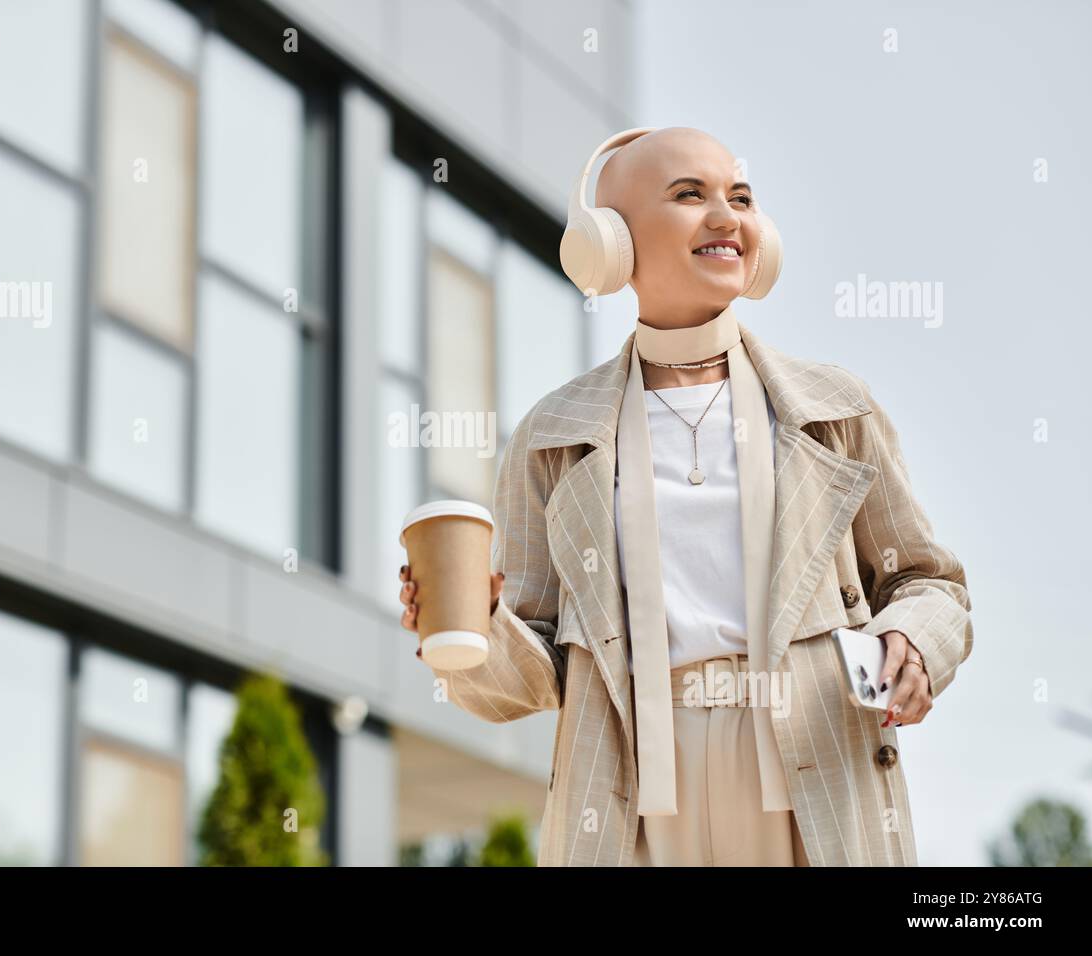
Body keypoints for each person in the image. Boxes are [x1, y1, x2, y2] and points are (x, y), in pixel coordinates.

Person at [398, 127, 972, 866]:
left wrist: (916, 643)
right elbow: (536, 676)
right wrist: (470, 629)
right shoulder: (554, 436)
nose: (726, 217)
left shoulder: (836, 411)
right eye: (689, 195)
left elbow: (929, 582)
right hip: (629, 789)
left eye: (740, 197)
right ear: (611, 241)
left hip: (815, 768)